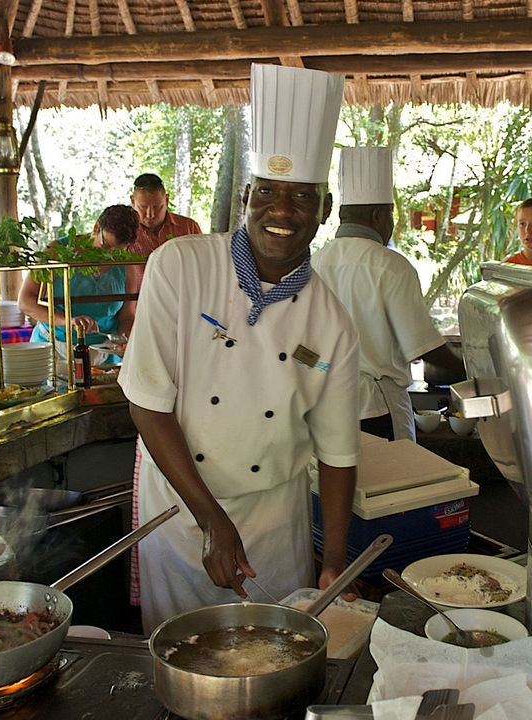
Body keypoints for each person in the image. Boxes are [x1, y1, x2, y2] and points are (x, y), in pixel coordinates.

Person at [119, 63, 359, 633]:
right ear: (247, 195)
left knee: (275, 656)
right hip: (181, 508)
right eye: (269, 193)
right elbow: (148, 403)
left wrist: (335, 563)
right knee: (183, 661)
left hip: (275, 520)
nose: (283, 211)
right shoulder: (179, 266)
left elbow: (338, 451)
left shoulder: (333, 324)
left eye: (302, 197)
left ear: (323, 210)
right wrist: (209, 521)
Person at [313, 146, 465, 441]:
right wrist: (471, 372)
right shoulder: (391, 266)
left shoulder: (315, 261)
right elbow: (422, 347)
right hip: (376, 408)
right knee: (390, 485)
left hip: (324, 405)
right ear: (378, 216)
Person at [17, 205, 139, 348]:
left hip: (105, 350)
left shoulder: (127, 264)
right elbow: (25, 301)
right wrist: (67, 321)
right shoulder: (56, 252)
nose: (109, 254)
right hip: (53, 345)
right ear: (96, 227)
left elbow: (127, 316)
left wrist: (121, 342)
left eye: (118, 251)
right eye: (106, 245)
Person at [124, 173, 202, 296]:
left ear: (166, 200)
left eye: (157, 207)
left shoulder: (188, 227)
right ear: (133, 201)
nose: (150, 214)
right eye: (143, 207)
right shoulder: (124, 232)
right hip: (139, 304)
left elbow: (202, 267)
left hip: (182, 299)